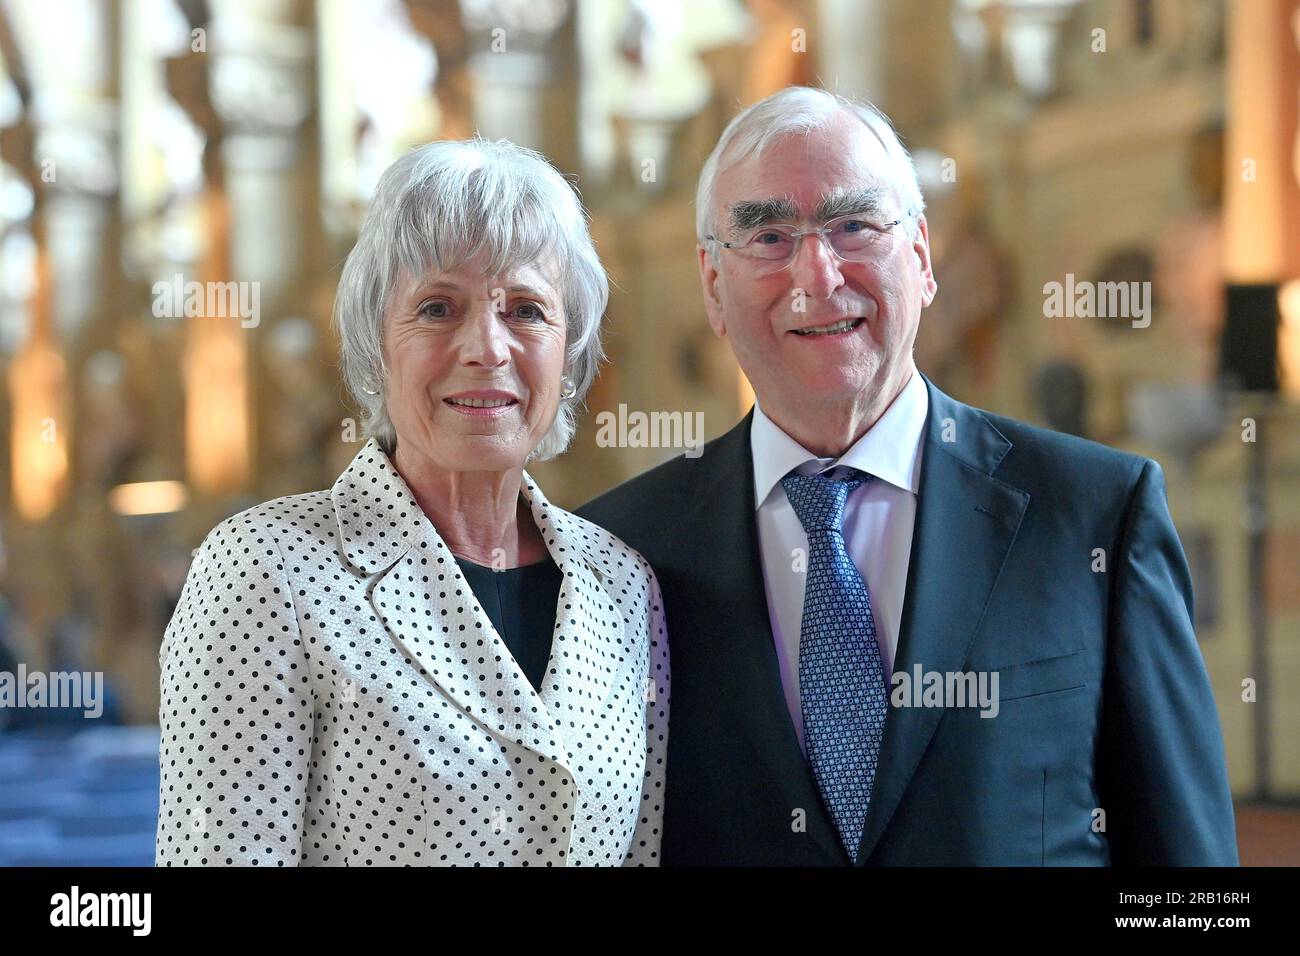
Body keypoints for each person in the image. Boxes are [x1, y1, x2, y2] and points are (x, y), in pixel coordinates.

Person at [578, 86, 1237, 866]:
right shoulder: (618, 553)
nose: (817, 275)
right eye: (768, 237)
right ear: (714, 286)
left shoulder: (1095, 516)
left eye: (853, 225)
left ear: (922, 258)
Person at [157, 138, 669, 866]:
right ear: (376, 341)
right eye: (438, 307)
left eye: (526, 309)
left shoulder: (623, 584)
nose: (486, 347)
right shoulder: (266, 571)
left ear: (570, 350)